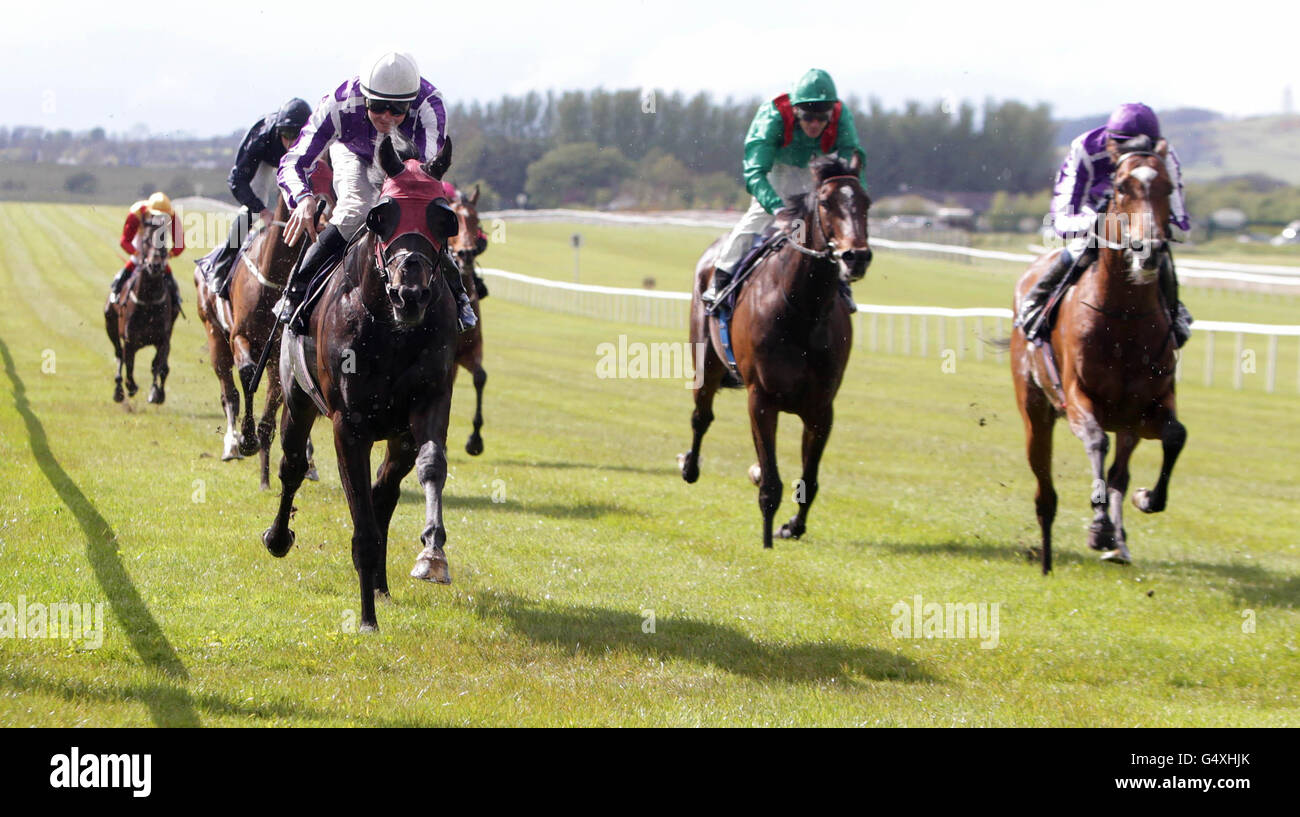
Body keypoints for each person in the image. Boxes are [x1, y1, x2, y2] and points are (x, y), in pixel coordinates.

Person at [275, 51, 476, 333]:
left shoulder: (430, 105)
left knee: (421, 214)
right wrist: (303, 199)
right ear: (364, 95)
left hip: (408, 162)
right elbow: (294, 160)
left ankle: (459, 295)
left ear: (411, 102)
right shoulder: (339, 102)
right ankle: (295, 291)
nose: (386, 116)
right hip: (353, 153)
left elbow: (426, 172)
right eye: (378, 106)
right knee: (357, 209)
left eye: (397, 110)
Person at [1017, 102, 1192, 346]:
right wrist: (1106, 223)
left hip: (1140, 220)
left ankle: (1175, 314)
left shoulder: (1165, 158)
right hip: (1095, 218)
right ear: (1110, 143)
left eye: (1146, 148)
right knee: (1080, 249)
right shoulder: (1085, 148)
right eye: (1123, 147)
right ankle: (1036, 301)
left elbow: (1180, 222)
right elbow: (1063, 220)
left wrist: (1154, 227)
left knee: (1158, 255)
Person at [702, 68, 867, 308]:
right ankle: (721, 279)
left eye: (822, 118)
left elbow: (851, 163)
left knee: (823, 224)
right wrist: (778, 209)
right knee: (759, 217)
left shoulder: (842, 116)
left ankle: (841, 283)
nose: (815, 124)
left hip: (814, 167)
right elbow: (755, 173)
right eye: (808, 117)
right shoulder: (773, 115)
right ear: (796, 110)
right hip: (776, 169)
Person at [194, 98, 312, 297]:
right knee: (252, 208)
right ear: (277, 131)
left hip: (300, 163)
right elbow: (236, 181)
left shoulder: (314, 138)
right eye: (286, 135)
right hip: (266, 162)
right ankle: (222, 264)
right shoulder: (261, 138)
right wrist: (262, 211)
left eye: (297, 135)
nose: (291, 142)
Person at [110, 191, 184, 309]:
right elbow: (125, 241)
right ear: (149, 210)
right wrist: (136, 253)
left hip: (159, 246)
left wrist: (169, 254)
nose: (159, 218)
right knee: (133, 263)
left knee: (166, 272)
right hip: (140, 241)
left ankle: (176, 299)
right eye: (155, 214)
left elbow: (180, 243)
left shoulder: (172, 215)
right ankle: (116, 290)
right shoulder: (136, 214)